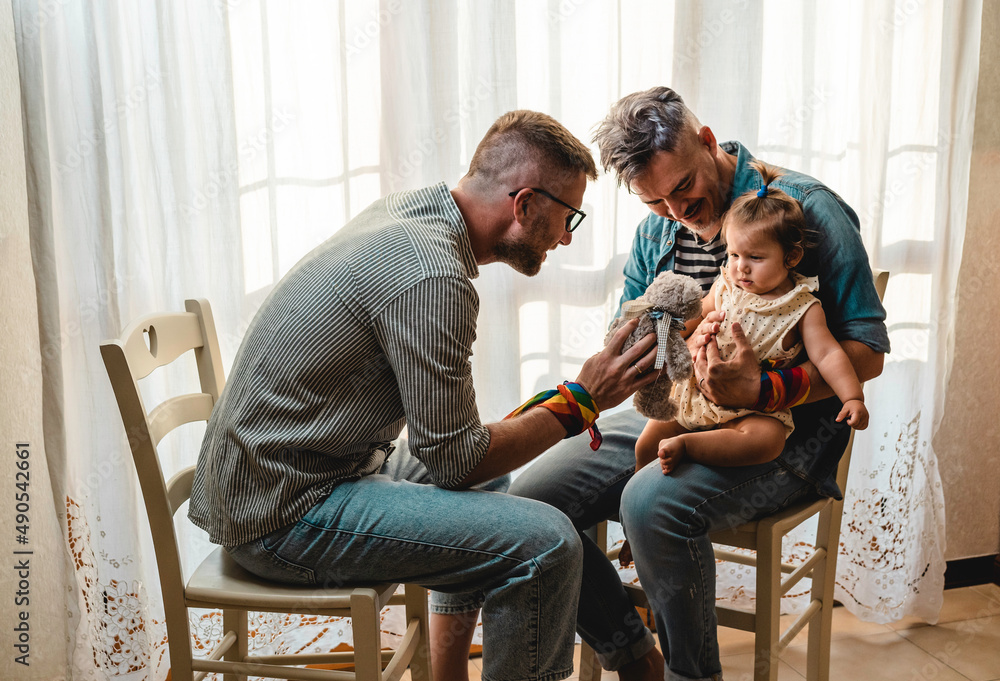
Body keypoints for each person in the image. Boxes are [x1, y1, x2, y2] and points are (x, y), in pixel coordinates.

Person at [188, 109, 664, 681]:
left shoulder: (409, 214)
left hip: (266, 481)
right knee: (547, 545)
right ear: (524, 204)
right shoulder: (433, 276)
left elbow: (456, 455)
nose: (566, 237)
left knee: (493, 481)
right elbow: (456, 461)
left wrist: (568, 402)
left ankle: (447, 674)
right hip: (281, 514)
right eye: (569, 218)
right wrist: (580, 401)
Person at [509, 87, 889, 681]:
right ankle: (632, 654)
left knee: (648, 500)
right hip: (678, 408)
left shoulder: (807, 210)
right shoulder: (654, 232)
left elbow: (867, 353)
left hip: (781, 432)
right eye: (655, 201)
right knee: (528, 505)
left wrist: (765, 390)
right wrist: (653, 347)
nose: (677, 211)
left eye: (683, 186)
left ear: (708, 142)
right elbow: (631, 337)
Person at [635, 159, 869, 478]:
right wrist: (675, 340)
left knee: (767, 441)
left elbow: (828, 354)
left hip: (753, 408)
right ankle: (641, 481)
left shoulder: (802, 307)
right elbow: (693, 315)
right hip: (694, 392)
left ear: (791, 257)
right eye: (734, 255)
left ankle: (688, 445)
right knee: (645, 445)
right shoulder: (725, 286)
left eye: (755, 257)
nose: (741, 267)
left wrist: (852, 396)